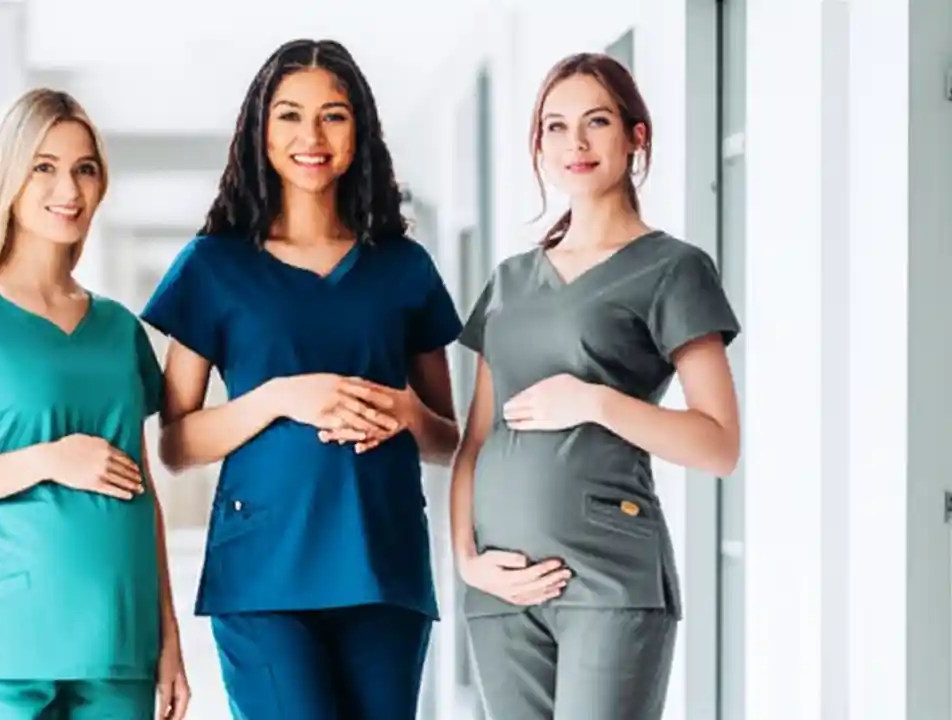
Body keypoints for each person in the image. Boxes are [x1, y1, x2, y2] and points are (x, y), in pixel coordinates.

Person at [140, 39, 462, 719]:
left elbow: (447, 437)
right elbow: (175, 444)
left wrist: (403, 411)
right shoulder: (213, 266)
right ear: (260, 130)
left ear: (360, 131)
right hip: (263, 575)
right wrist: (282, 397)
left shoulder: (403, 267)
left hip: (383, 564)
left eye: (333, 116)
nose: (310, 137)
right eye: (289, 115)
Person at [451, 52, 742, 719]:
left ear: (636, 136)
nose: (574, 144)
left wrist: (595, 401)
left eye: (597, 121)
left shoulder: (672, 269)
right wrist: (468, 560)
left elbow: (718, 444)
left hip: (609, 580)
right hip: (500, 584)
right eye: (554, 127)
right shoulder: (509, 279)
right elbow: (476, 442)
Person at [0, 88, 189, 720]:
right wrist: (50, 458)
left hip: (119, 647)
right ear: (8, 178)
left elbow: (142, 488)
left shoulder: (118, 328)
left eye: (84, 168)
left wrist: (169, 639)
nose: (68, 189)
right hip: (6, 648)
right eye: (43, 166)